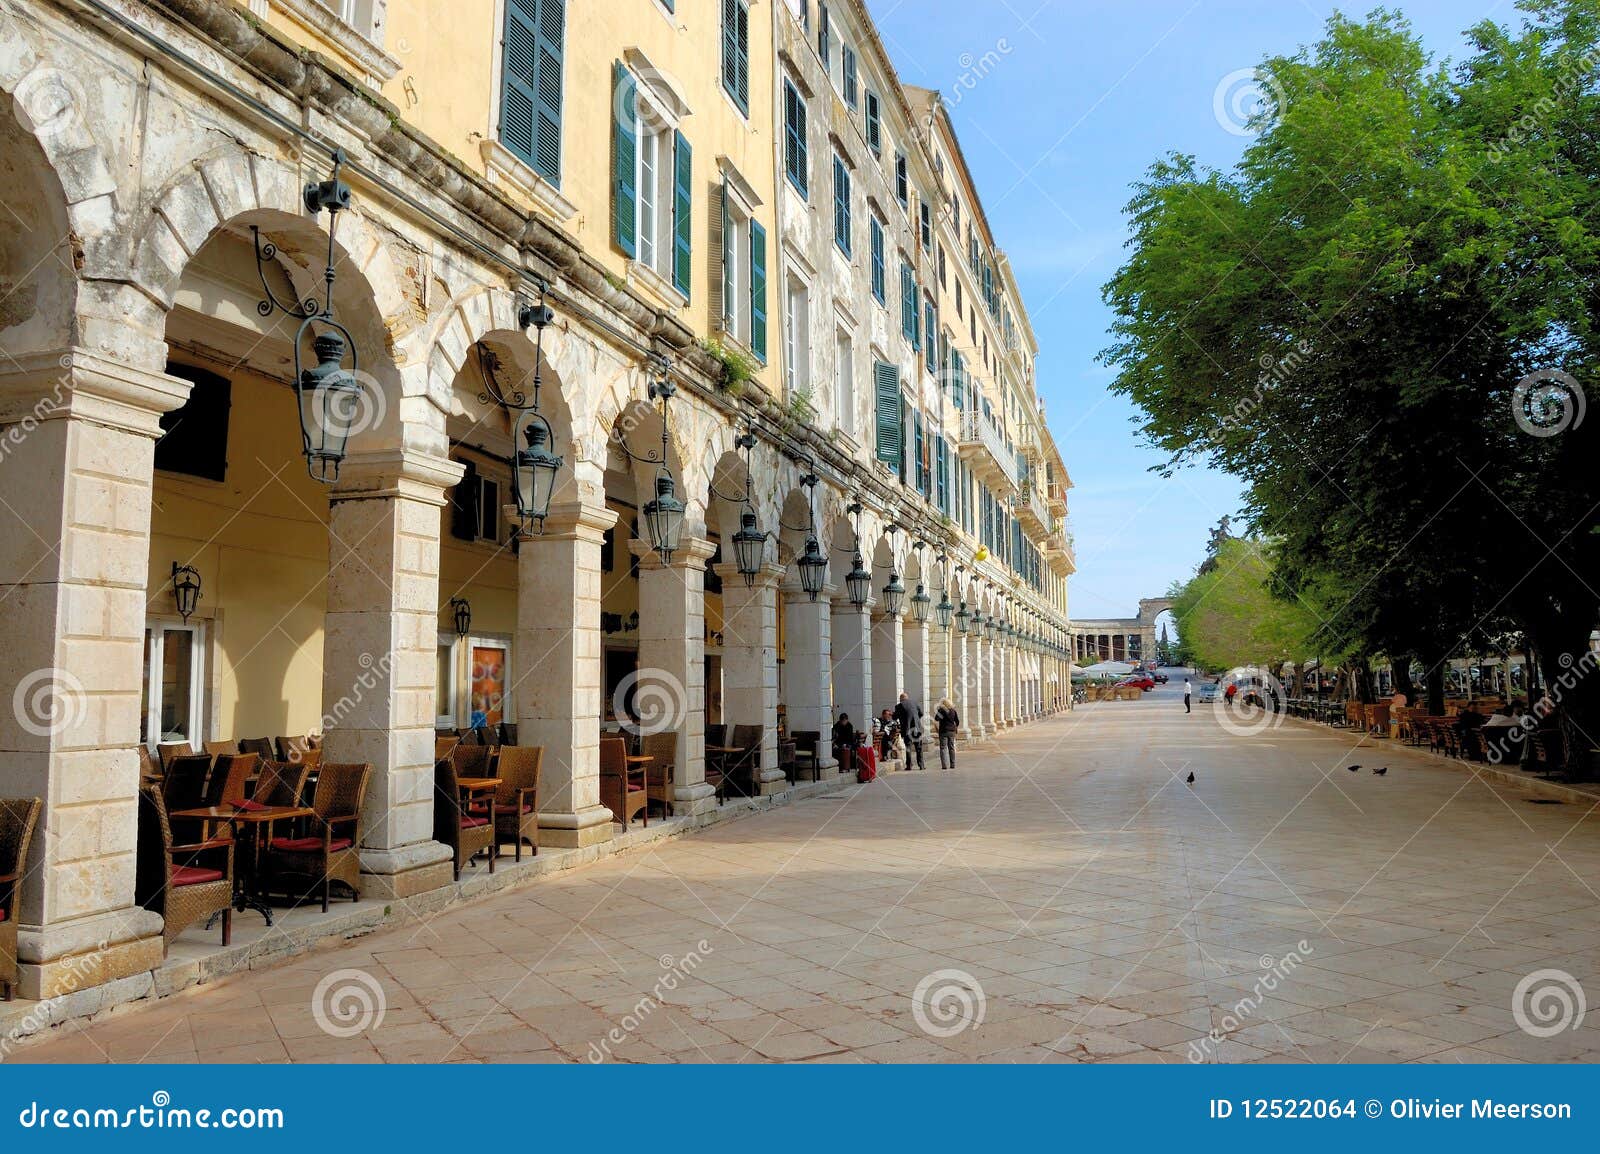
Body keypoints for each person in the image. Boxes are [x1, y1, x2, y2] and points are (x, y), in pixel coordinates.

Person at [895, 692, 926, 771]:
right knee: (919, 747)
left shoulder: (899, 706)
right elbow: (921, 714)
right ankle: (921, 765)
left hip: (907, 729)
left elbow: (895, 717)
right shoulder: (915, 703)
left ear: (901, 699)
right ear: (907, 698)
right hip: (917, 728)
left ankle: (909, 765)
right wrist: (915, 720)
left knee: (908, 747)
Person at [933, 697, 960, 770]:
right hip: (952, 732)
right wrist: (954, 727)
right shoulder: (953, 711)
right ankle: (952, 764)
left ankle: (944, 765)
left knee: (943, 748)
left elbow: (936, 719)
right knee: (951, 748)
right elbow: (957, 722)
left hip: (943, 731)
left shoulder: (941, 711)